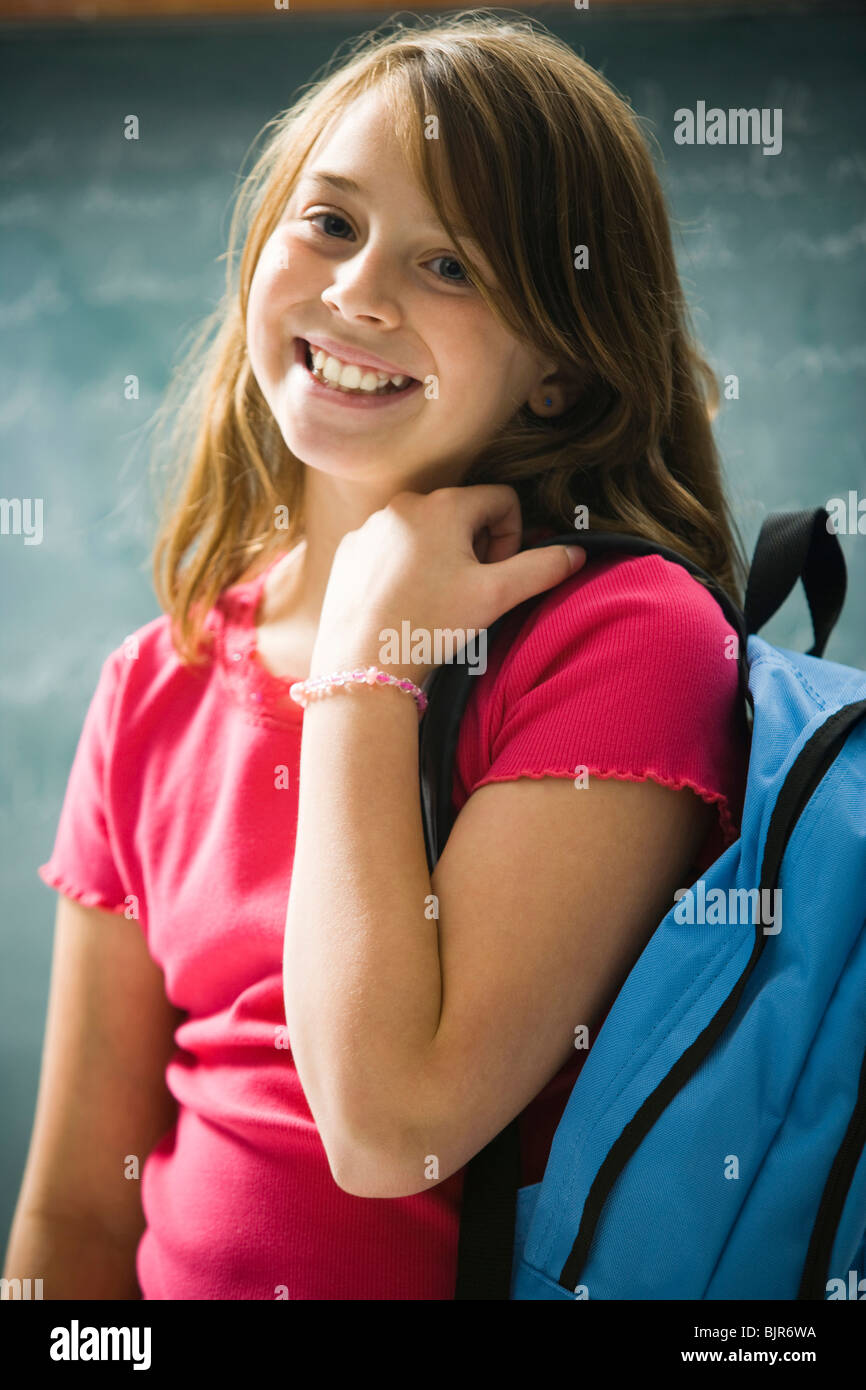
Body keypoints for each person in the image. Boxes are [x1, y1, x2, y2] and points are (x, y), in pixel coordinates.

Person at [4, 12, 750, 1300]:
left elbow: (391, 1128)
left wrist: (364, 662)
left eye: (451, 265)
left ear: (559, 375)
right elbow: (74, 1216)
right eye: (331, 223)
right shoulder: (153, 681)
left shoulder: (626, 638)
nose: (356, 292)